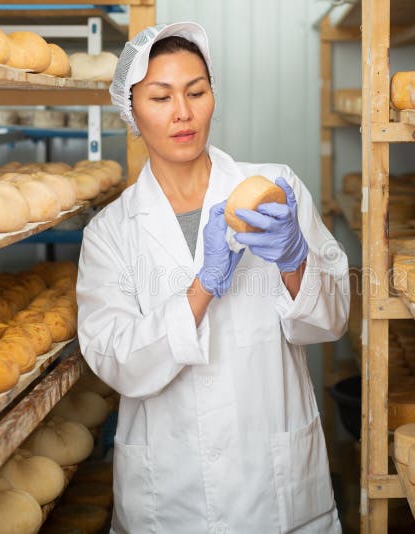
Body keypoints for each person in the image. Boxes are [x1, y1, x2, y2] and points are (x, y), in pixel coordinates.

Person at [76, 22, 349, 533]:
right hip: (172, 494)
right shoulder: (110, 234)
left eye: (196, 91)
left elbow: (331, 322)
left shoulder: (276, 190)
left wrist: (293, 257)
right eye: (161, 97)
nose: (183, 112)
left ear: (212, 97)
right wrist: (203, 287)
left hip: (274, 487)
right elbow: (119, 364)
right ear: (131, 112)